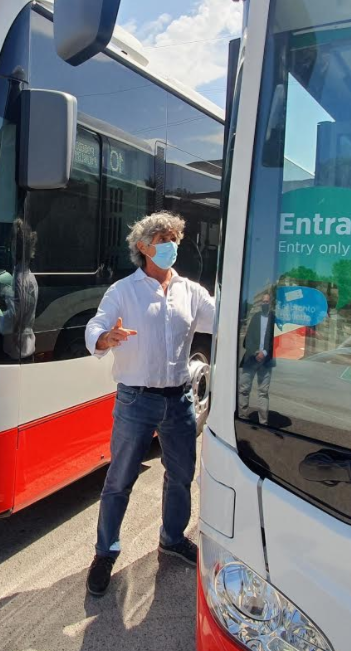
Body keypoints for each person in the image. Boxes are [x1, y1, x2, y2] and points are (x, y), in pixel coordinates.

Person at [83, 211, 215, 597]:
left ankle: (172, 538)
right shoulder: (123, 291)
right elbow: (96, 326)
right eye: (163, 240)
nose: (172, 246)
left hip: (179, 399)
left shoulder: (190, 291)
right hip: (135, 400)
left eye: (175, 239)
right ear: (143, 246)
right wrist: (105, 338)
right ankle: (105, 552)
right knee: (119, 480)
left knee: (181, 475)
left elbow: (222, 320)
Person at [1, 219, 39, 363]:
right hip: (26, 348)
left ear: (15, 247)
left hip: (17, 352)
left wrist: (0, 315)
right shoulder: (29, 275)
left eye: (12, 243)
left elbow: (14, 316)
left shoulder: (19, 278)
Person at [238, 290, 276, 425]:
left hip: (266, 361)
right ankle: (242, 417)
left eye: (267, 302)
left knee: (263, 392)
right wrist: (255, 352)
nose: (265, 304)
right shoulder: (255, 317)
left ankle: (263, 422)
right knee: (244, 389)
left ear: (271, 303)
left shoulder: (275, 319)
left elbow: (275, 340)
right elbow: (248, 338)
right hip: (251, 359)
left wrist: (264, 353)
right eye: (263, 302)